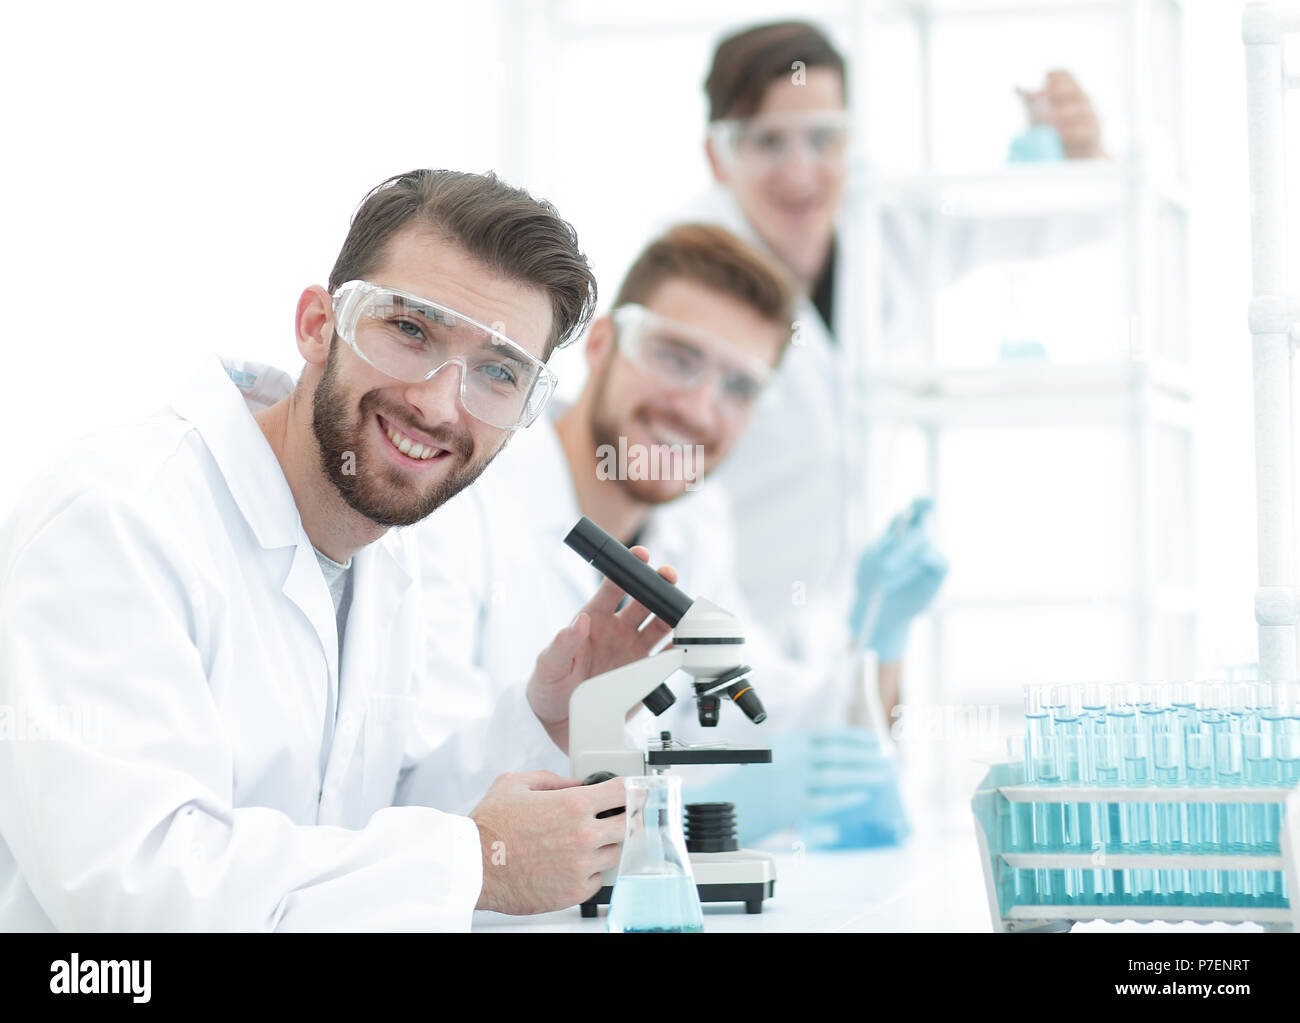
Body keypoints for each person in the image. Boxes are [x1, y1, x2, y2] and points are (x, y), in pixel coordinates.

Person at [0, 168, 683, 931]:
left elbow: (352, 832)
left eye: (498, 372)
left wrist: (544, 719)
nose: (436, 402)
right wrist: (474, 860)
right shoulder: (119, 517)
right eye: (410, 330)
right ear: (318, 324)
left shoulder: (380, 550)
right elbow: (134, 885)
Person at [414, 223, 907, 846]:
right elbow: (427, 798)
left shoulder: (695, 524)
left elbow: (775, 715)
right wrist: (676, 820)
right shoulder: (462, 496)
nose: (699, 410)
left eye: (739, 386)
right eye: (676, 357)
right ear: (600, 346)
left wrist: (882, 633)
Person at [691, 21, 1106, 719]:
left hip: (853, 627)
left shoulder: (886, 232)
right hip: (722, 630)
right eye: (767, 141)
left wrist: (1080, 153)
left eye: (824, 138)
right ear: (717, 155)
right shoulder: (686, 275)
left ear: (852, 143)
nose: (800, 171)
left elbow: (1042, 217)